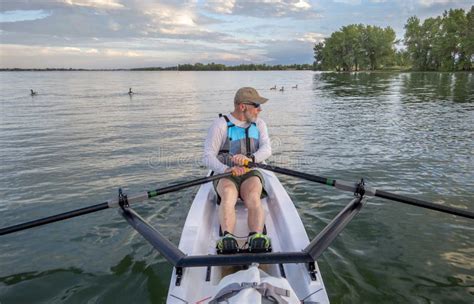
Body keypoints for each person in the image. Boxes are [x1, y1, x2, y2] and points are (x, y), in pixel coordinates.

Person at [203, 87, 272, 254]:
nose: (259, 109)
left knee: (253, 195)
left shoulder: (259, 123)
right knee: (228, 193)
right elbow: (207, 156)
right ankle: (227, 237)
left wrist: (251, 160)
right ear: (242, 107)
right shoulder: (220, 125)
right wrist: (227, 168)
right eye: (256, 105)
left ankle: (256, 236)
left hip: (250, 173)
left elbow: (267, 149)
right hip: (226, 173)